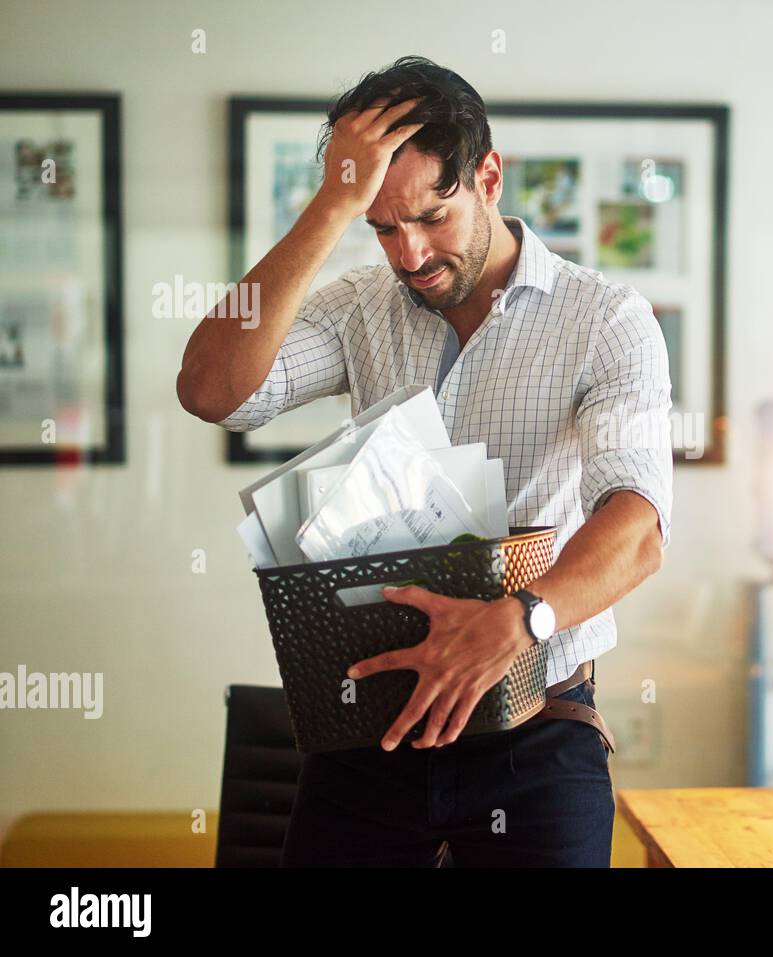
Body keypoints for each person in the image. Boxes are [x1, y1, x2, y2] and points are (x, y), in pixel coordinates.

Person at [177, 56, 673, 867]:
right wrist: (332, 205)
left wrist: (521, 620)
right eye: (381, 225)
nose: (408, 255)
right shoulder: (359, 306)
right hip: (370, 737)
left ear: (488, 175)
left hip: (536, 734)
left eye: (432, 216)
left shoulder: (604, 321)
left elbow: (638, 526)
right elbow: (210, 389)